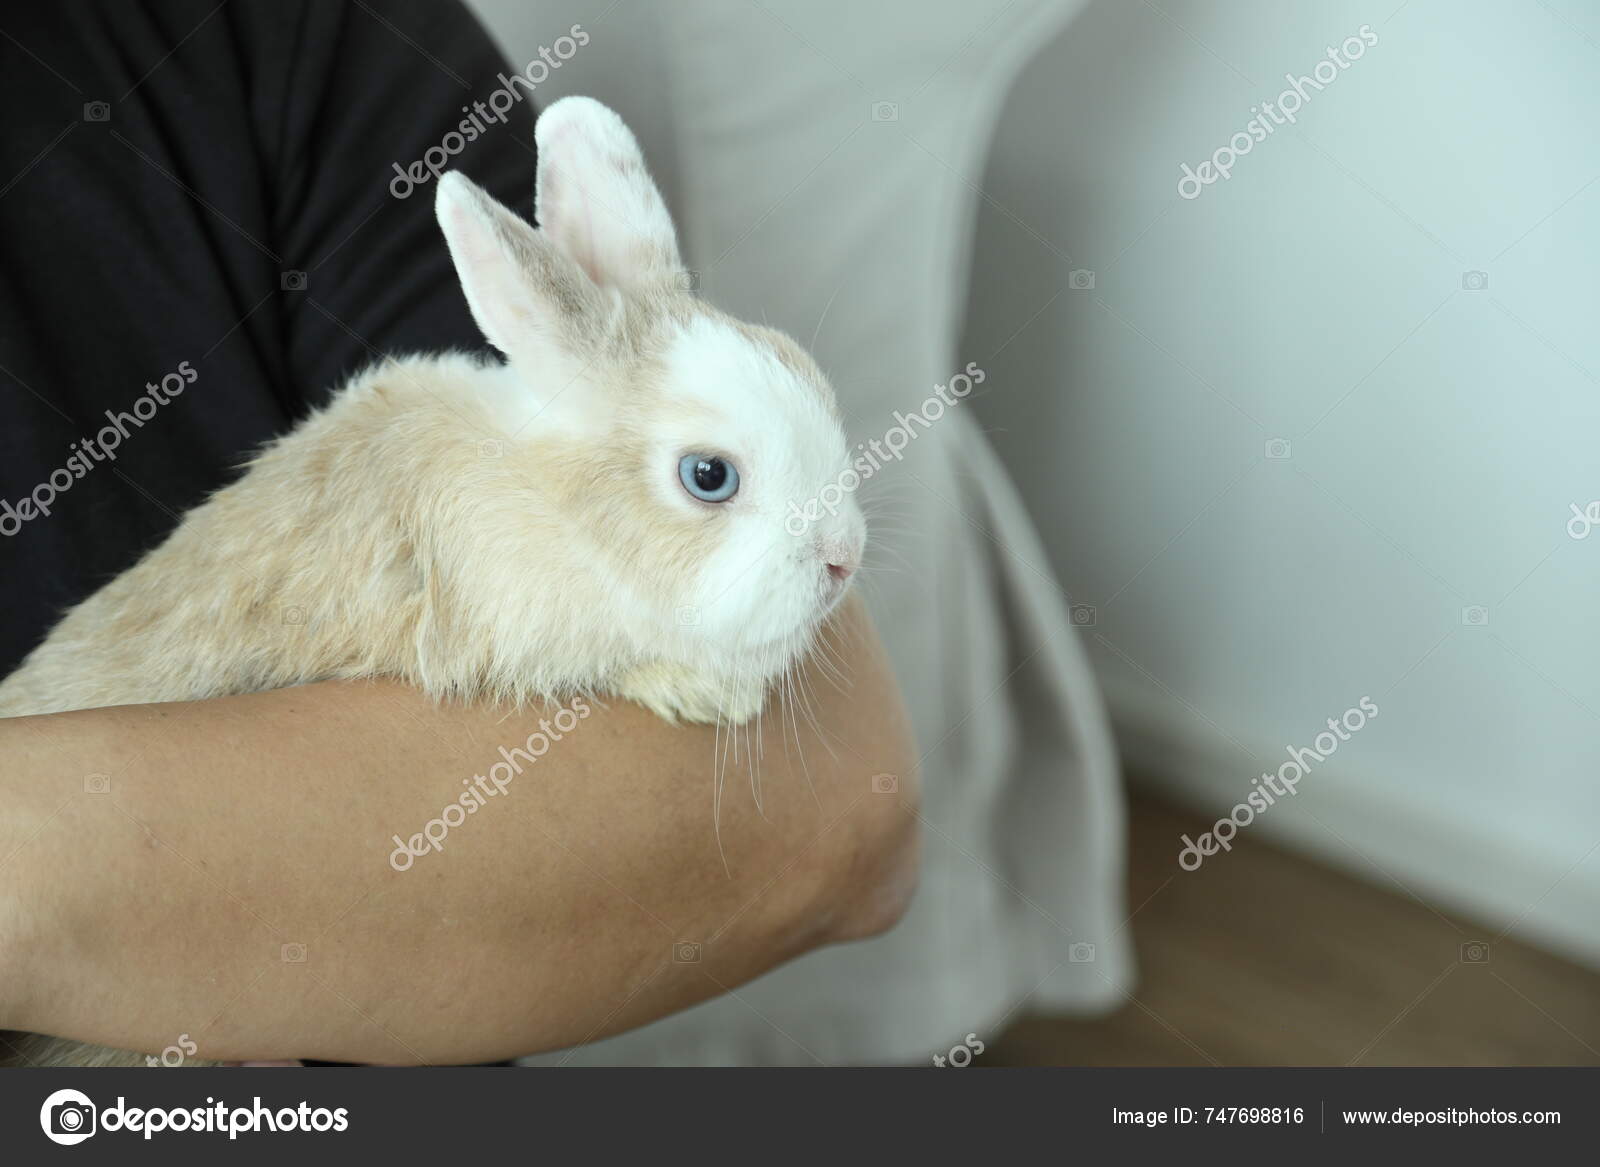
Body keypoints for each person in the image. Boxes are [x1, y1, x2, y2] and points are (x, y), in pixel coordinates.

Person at [0, 0, 918, 1065]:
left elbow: (846, 814)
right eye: (708, 479)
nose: (844, 556)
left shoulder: (297, 38)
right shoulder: (489, 510)